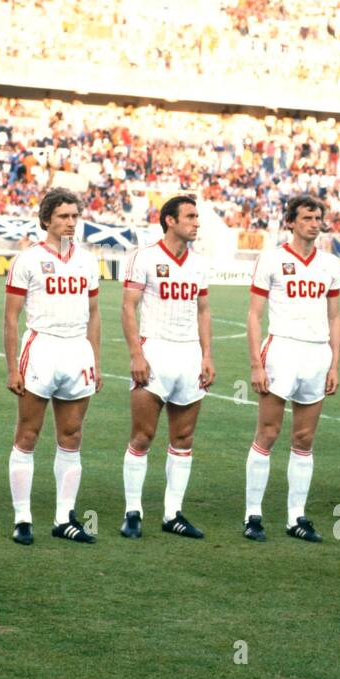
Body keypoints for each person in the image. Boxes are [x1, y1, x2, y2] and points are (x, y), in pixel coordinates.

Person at [2, 188, 101, 545]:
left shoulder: (87, 261)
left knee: (71, 436)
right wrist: (13, 367)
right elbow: (11, 318)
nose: (70, 222)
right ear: (46, 220)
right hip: (41, 347)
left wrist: (95, 359)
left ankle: (64, 517)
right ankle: (23, 517)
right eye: (62, 216)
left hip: (77, 351)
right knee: (28, 434)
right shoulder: (27, 260)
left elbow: (94, 314)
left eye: (75, 216)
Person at [243, 194, 340, 543]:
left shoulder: (330, 264)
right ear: (290, 222)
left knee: (304, 439)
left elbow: (334, 316)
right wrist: (256, 363)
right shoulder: (271, 259)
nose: (314, 223)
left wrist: (334, 363)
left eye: (318, 218)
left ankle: (296, 516)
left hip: (316, 355)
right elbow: (254, 314)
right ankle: (252, 514)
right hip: (281, 349)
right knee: (267, 433)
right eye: (307, 218)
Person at [120, 195, 214, 540]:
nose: (196, 222)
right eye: (190, 216)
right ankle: (133, 511)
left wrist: (207, 355)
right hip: (155, 350)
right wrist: (136, 355)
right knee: (143, 436)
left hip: (189, 354)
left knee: (184, 438)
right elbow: (128, 308)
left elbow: (204, 310)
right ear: (170, 220)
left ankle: (173, 513)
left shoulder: (198, 264)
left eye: (197, 216)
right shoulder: (144, 258)